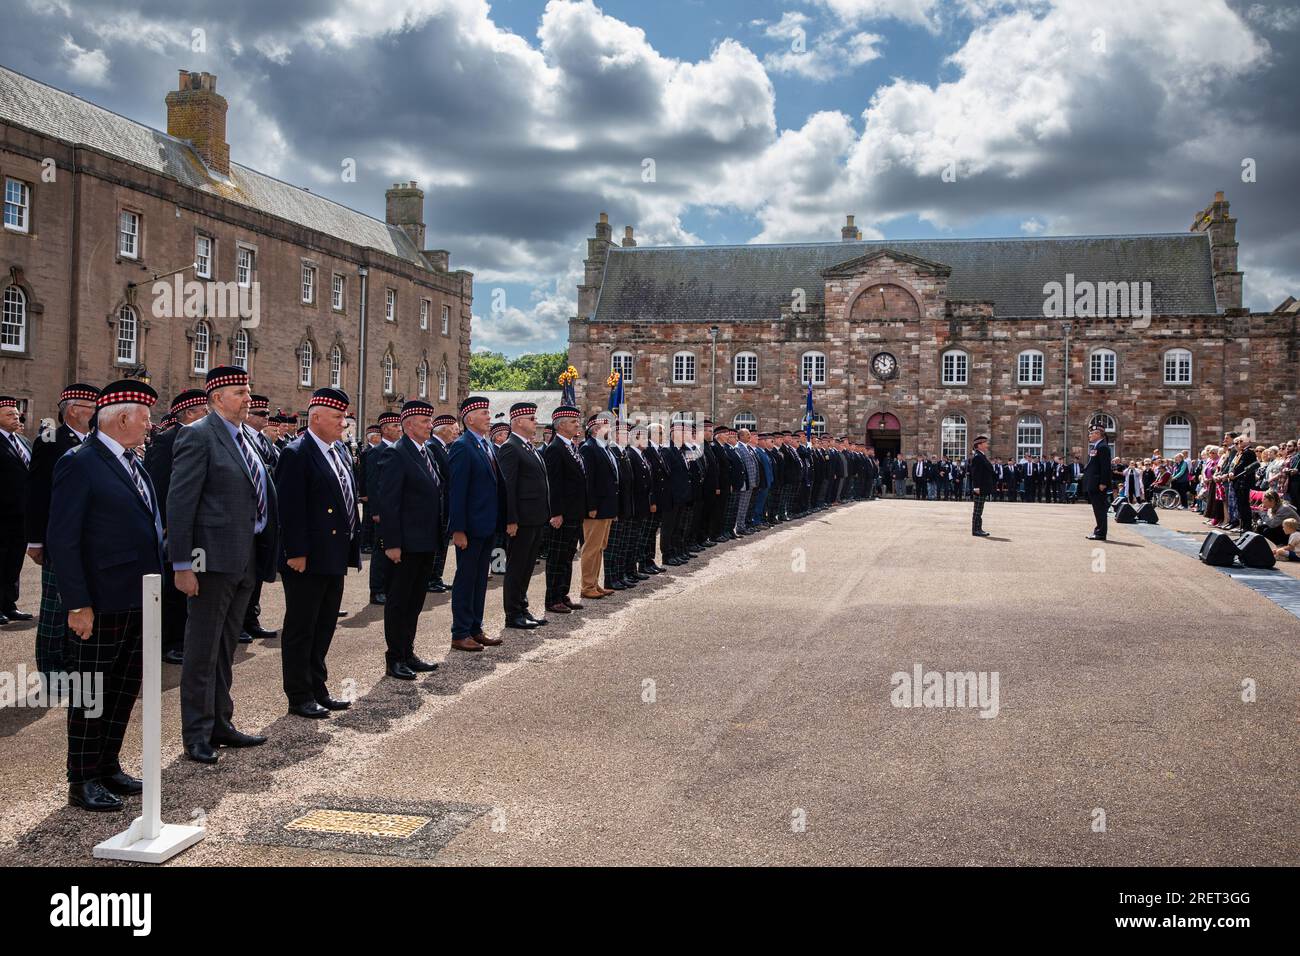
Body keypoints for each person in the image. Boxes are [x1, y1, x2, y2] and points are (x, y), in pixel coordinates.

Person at [46, 380, 164, 811]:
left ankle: (108, 764)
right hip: (100, 600)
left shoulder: (134, 462)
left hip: (139, 597)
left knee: (123, 688)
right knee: (91, 692)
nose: (150, 424)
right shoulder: (80, 463)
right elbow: (63, 539)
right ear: (121, 419)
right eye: (145, 417)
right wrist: (77, 603)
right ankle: (82, 778)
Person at [168, 366, 278, 765]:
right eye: (239, 392)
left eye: (248, 390)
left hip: (245, 557)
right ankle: (196, 733)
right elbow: (181, 505)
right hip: (210, 560)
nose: (248, 398)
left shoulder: (247, 436)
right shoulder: (197, 436)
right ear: (216, 398)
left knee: (226, 646)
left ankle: (221, 723)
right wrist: (183, 563)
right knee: (202, 649)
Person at [275, 387, 362, 716]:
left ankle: (317, 685)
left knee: (324, 624)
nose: (344, 422)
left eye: (344, 416)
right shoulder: (297, 453)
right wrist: (296, 551)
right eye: (338, 417)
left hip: (334, 552)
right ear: (316, 417)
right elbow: (290, 507)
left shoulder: (336, 451)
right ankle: (299, 694)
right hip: (307, 557)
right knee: (302, 626)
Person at [25, 383, 99, 684]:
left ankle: (70, 660)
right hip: (58, 534)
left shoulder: (95, 441)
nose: (96, 414)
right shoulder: (51, 440)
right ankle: (49, 666)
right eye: (92, 408)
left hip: (86, 536)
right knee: (55, 607)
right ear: (73, 409)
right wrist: (35, 539)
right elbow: (38, 492)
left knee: (78, 602)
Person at [376, 400, 445, 678]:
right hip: (405, 543)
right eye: (424, 421)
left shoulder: (426, 452)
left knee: (416, 600)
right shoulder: (397, 453)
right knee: (399, 601)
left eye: (430, 421)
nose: (430, 425)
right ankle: (394, 658)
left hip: (426, 541)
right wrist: (391, 543)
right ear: (407, 425)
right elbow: (388, 502)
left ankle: (408, 651)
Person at [143, 389, 208, 666]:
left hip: (196, 526)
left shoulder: (204, 435)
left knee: (190, 588)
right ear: (190, 412)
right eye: (203, 409)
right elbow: (159, 483)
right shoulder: (168, 438)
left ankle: (184, 637)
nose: (208, 413)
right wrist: (165, 525)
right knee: (173, 589)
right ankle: (171, 642)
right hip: (174, 527)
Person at [447, 396, 505, 651]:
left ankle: (475, 628)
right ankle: (460, 632)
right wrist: (458, 529)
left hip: (487, 525)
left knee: (481, 579)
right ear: (469, 418)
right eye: (483, 413)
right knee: (466, 579)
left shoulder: (486, 445)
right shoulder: (462, 446)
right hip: (470, 528)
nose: (488, 417)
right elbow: (457, 492)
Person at [497, 401, 556, 629]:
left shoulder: (529, 447)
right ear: (518, 422)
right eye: (531, 418)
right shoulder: (510, 447)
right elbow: (508, 487)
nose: (535, 421)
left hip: (536, 517)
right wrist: (511, 519)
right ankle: (513, 614)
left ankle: (522, 607)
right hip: (521, 519)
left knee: (528, 566)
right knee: (517, 567)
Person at [239, 394, 279, 644]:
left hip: (264, 515)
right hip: (245, 517)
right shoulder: (242, 436)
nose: (265, 418)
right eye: (261, 414)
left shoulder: (263, 440)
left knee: (255, 576)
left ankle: (251, 619)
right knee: (242, 577)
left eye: (267, 414)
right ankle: (240, 622)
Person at [541, 405, 587, 614]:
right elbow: (554, 484)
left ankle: (563, 594)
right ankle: (552, 599)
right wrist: (555, 512)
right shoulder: (555, 449)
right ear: (560, 426)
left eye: (577, 421)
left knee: (568, 556)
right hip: (563, 513)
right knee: (557, 557)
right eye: (572, 421)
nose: (577, 424)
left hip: (575, 512)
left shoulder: (570, 446)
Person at [578, 412, 620, 598]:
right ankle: (587, 587)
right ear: (596, 429)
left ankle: (594, 583)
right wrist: (591, 507)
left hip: (607, 507)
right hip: (596, 509)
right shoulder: (589, 448)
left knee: (600, 547)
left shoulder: (605, 448)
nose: (610, 430)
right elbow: (589, 481)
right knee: (591, 548)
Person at [0, 396, 33, 627]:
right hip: (2, 512)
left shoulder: (23, 440)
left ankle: (9, 605)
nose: (16, 416)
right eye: (10, 414)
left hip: (21, 514)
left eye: (16, 413)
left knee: (14, 561)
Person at [367, 412, 402, 605]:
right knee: (380, 550)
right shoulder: (376, 451)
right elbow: (373, 484)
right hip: (381, 511)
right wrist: (376, 511)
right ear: (385, 429)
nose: (399, 429)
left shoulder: (398, 449)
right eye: (395, 426)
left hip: (393, 510)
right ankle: (377, 589)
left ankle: (387, 586)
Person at [425, 414, 457, 593]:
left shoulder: (443, 447)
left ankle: (436, 576)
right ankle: (431, 578)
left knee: (443, 543)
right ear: (443, 429)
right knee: (438, 543)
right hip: (439, 504)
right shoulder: (432, 446)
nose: (455, 432)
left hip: (446, 503)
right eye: (453, 429)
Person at [1083, 423, 1113, 541]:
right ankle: (1099, 530)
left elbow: (1105, 467)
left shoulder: (1103, 447)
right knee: (1097, 509)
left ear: (1097, 434)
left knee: (1100, 508)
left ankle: (1100, 533)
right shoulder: (1096, 447)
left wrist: (1103, 483)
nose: (1089, 435)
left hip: (1098, 484)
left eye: (1091, 433)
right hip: (1093, 483)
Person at [968, 435, 995, 537]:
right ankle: (976, 530)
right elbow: (976, 474)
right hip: (980, 488)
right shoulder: (977, 457)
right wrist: (976, 487)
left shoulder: (981, 455)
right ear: (979, 445)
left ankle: (978, 528)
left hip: (983, 487)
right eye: (985, 443)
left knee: (980, 509)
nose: (987, 445)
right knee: (978, 510)